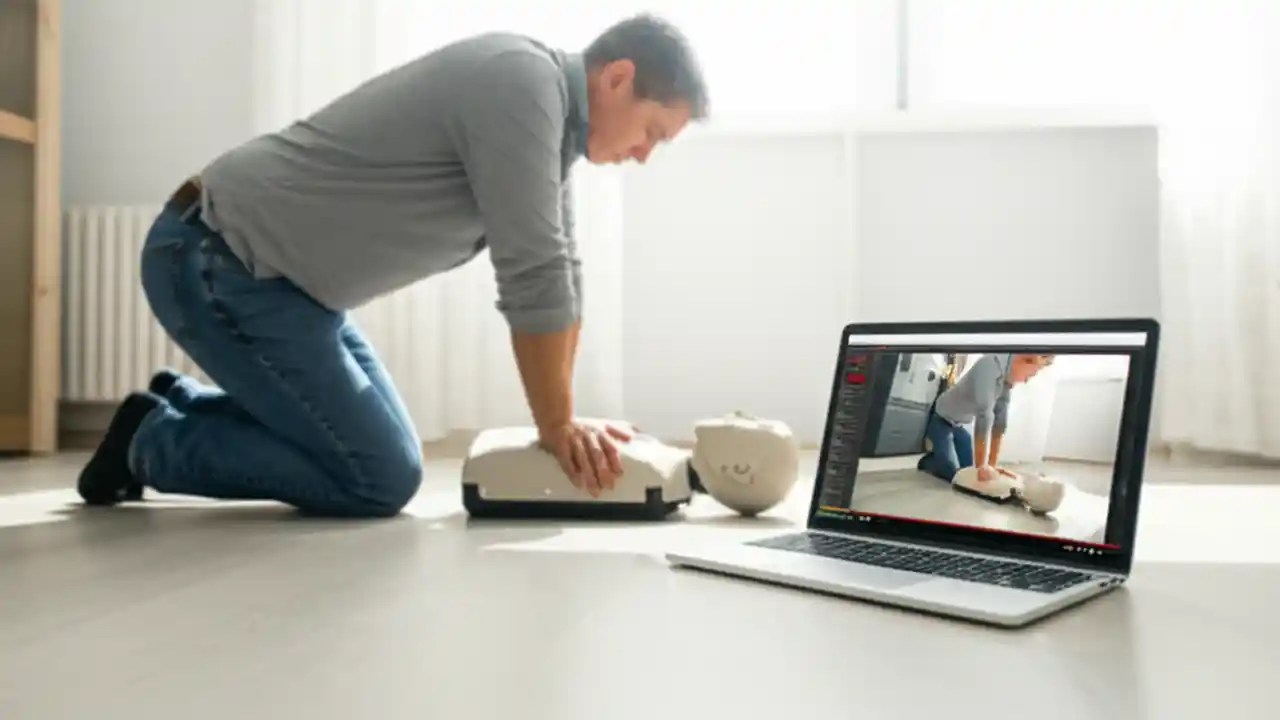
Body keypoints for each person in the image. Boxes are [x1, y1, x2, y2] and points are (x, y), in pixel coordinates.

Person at [75, 15, 710, 517]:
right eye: (652, 131)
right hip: (219, 259)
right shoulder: (521, 83)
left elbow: (562, 275)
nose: (645, 155)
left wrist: (566, 420)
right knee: (377, 476)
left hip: (289, 292)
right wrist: (556, 424)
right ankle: (152, 446)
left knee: (383, 454)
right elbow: (535, 274)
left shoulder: (551, 127)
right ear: (618, 78)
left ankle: (172, 406)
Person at [917, 353, 1053, 484]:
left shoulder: (1005, 382)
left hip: (959, 426)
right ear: (1024, 360)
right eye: (1030, 375)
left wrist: (991, 467)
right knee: (955, 475)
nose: (1026, 380)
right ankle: (929, 461)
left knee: (967, 471)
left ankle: (944, 454)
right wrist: (982, 467)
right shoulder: (989, 364)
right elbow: (984, 415)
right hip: (941, 418)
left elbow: (1000, 423)